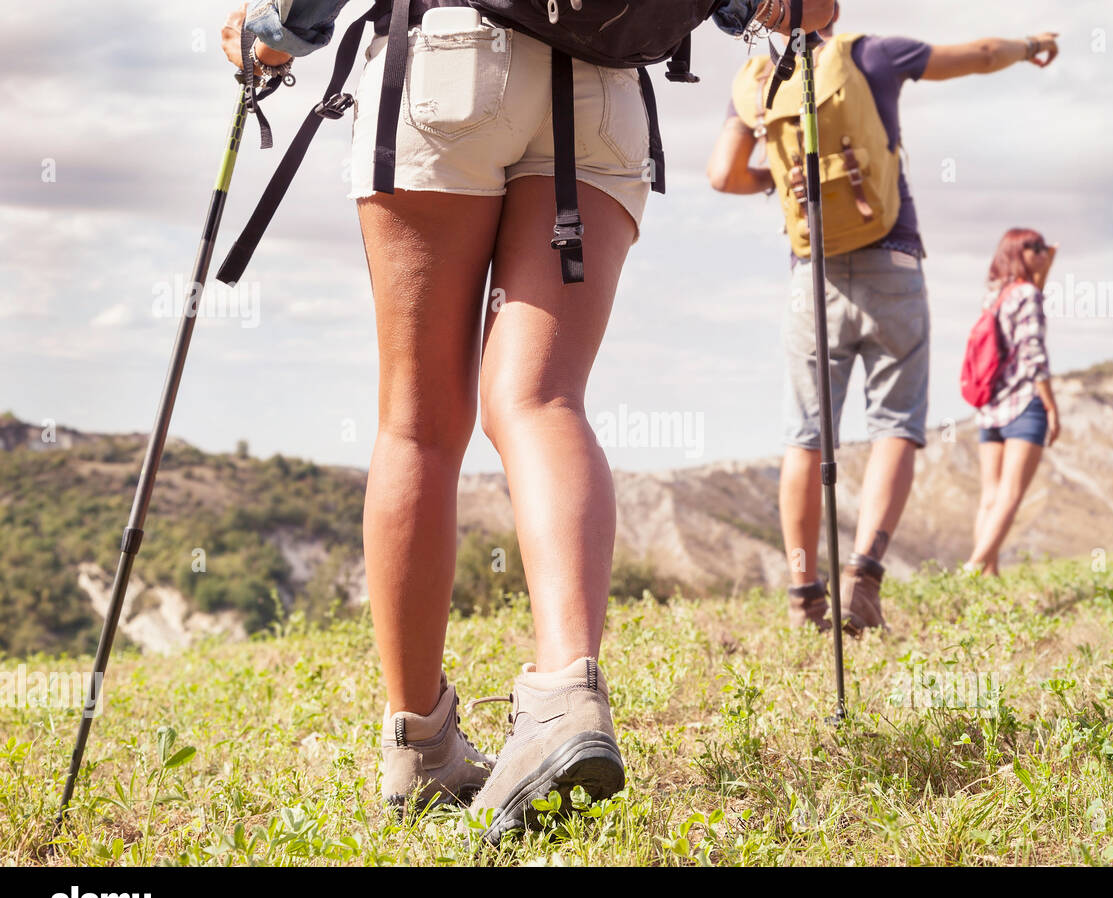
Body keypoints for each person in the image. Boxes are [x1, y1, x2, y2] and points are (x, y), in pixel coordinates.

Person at [223, 0, 836, 840]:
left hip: (445, 66)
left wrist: (274, 32)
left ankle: (421, 745)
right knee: (543, 398)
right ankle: (563, 698)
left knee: (419, 423)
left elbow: (294, 16)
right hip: (602, 91)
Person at [707, 9, 1060, 635]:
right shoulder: (871, 55)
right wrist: (1029, 45)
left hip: (811, 275)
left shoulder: (756, 82)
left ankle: (802, 594)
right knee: (895, 427)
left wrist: (781, 181)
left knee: (806, 437)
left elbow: (722, 175)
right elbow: (977, 54)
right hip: (892, 262)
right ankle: (864, 581)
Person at [965, 229, 1060, 576]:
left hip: (990, 406)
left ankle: (988, 574)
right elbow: (1034, 352)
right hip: (1023, 403)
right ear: (1019, 253)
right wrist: (1050, 405)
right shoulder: (1028, 296)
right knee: (1011, 494)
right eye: (1033, 248)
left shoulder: (995, 296)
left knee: (990, 495)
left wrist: (1045, 268)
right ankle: (975, 568)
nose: (1040, 252)